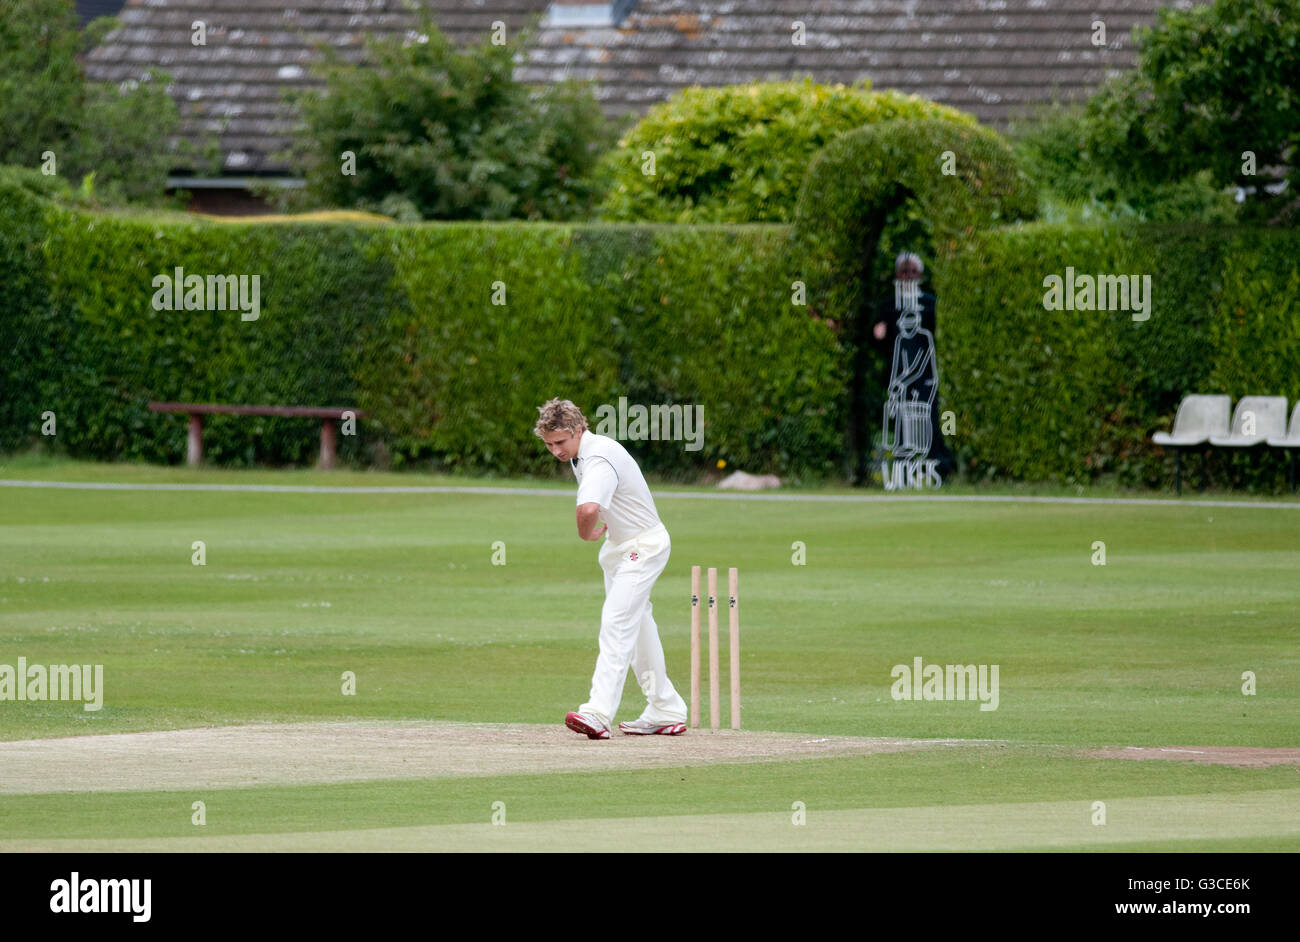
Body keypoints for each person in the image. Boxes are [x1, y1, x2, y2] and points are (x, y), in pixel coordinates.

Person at [534, 398, 688, 739]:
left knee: (617, 620)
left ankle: (597, 712)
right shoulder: (580, 453)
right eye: (548, 444)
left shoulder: (598, 456)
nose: (556, 451)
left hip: (642, 547)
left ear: (578, 430)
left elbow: (588, 509)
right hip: (621, 548)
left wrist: (585, 533)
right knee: (636, 626)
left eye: (560, 442)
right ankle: (665, 707)